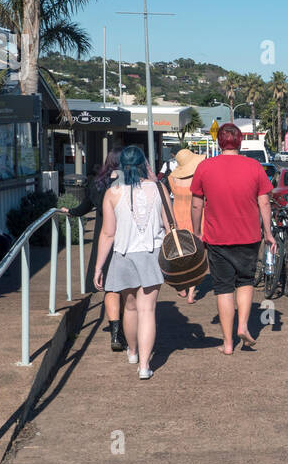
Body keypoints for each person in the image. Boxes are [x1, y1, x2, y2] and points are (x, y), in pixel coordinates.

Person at [190, 123, 276, 355]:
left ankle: (228, 344)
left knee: (223, 288)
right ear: (239, 142)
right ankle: (243, 326)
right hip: (248, 236)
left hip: (217, 237)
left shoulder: (205, 167)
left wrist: (197, 232)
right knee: (245, 282)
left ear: (219, 142)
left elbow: (197, 203)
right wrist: (268, 233)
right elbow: (265, 202)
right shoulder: (254, 166)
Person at [94, 145, 169, 380]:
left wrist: (98, 267)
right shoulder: (158, 189)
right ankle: (145, 366)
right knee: (148, 310)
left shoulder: (112, 192)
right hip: (151, 254)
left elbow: (108, 234)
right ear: (143, 163)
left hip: (123, 255)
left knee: (130, 307)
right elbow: (170, 226)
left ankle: (133, 352)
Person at [63, 149, 126, 351]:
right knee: (127, 287)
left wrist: (71, 212)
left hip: (105, 239)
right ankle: (125, 327)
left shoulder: (98, 183)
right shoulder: (132, 182)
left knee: (110, 288)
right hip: (127, 239)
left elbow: (85, 206)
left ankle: (115, 333)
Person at [167, 148, 207, 304]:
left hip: (178, 217)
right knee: (196, 255)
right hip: (196, 217)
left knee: (179, 253)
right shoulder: (199, 178)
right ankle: (191, 293)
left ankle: (180, 287)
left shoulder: (172, 178)